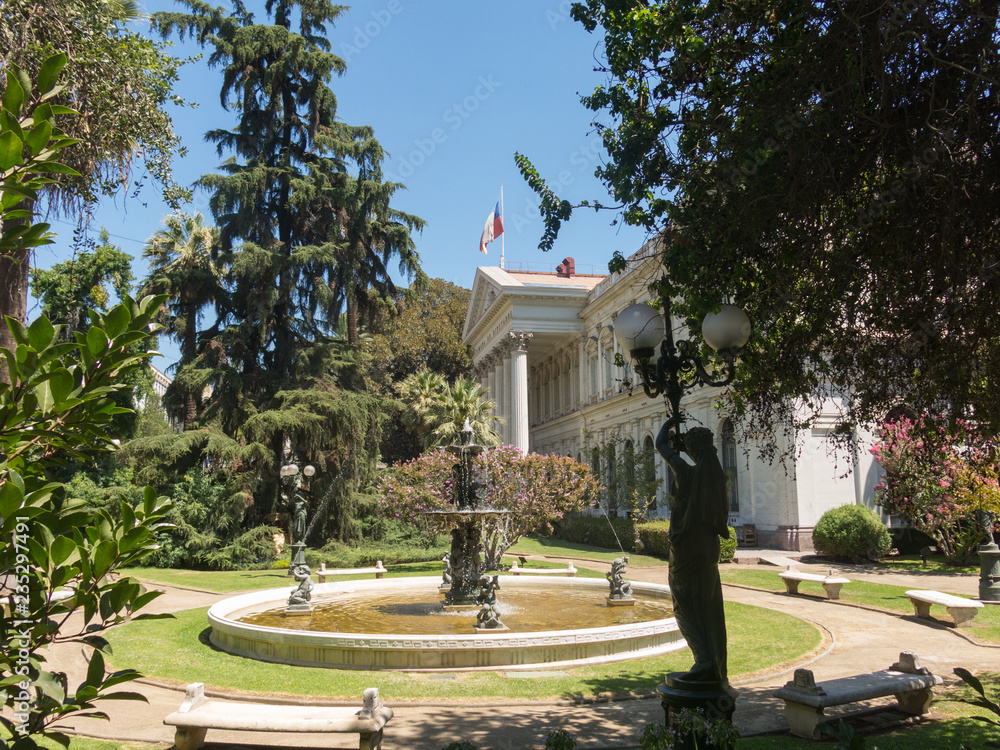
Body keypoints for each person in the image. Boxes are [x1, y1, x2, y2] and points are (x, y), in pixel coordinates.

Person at [656, 419, 730, 685]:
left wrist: (670, 423)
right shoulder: (718, 477)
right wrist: (685, 447)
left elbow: (660, 444)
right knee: (709, 607)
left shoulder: (686, 473)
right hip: (709, 547)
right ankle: (715, 665)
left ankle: (704, 661)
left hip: (686, 550)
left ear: (693, 451)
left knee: (685, 604)